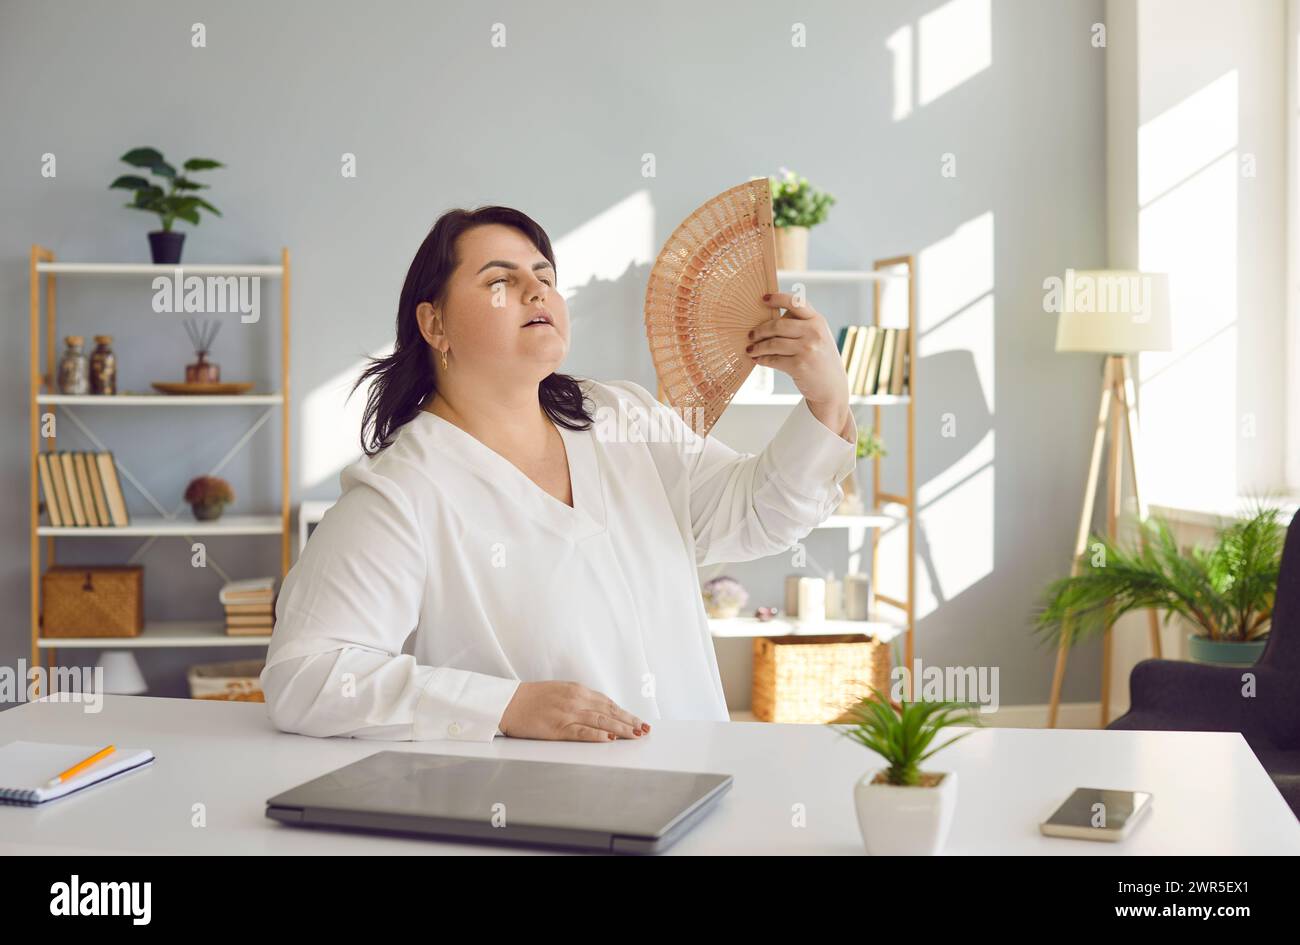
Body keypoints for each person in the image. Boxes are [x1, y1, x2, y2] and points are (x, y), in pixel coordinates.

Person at [261, 205, 856, 743]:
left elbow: (758, 516)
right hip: (532, 816)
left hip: (692, 782)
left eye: (545, 277)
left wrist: (826, 398)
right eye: (500, 280)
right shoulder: (403, 489)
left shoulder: (620, 417)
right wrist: (504, 706)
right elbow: (306, 676)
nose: (536, 291)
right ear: (435, 325)